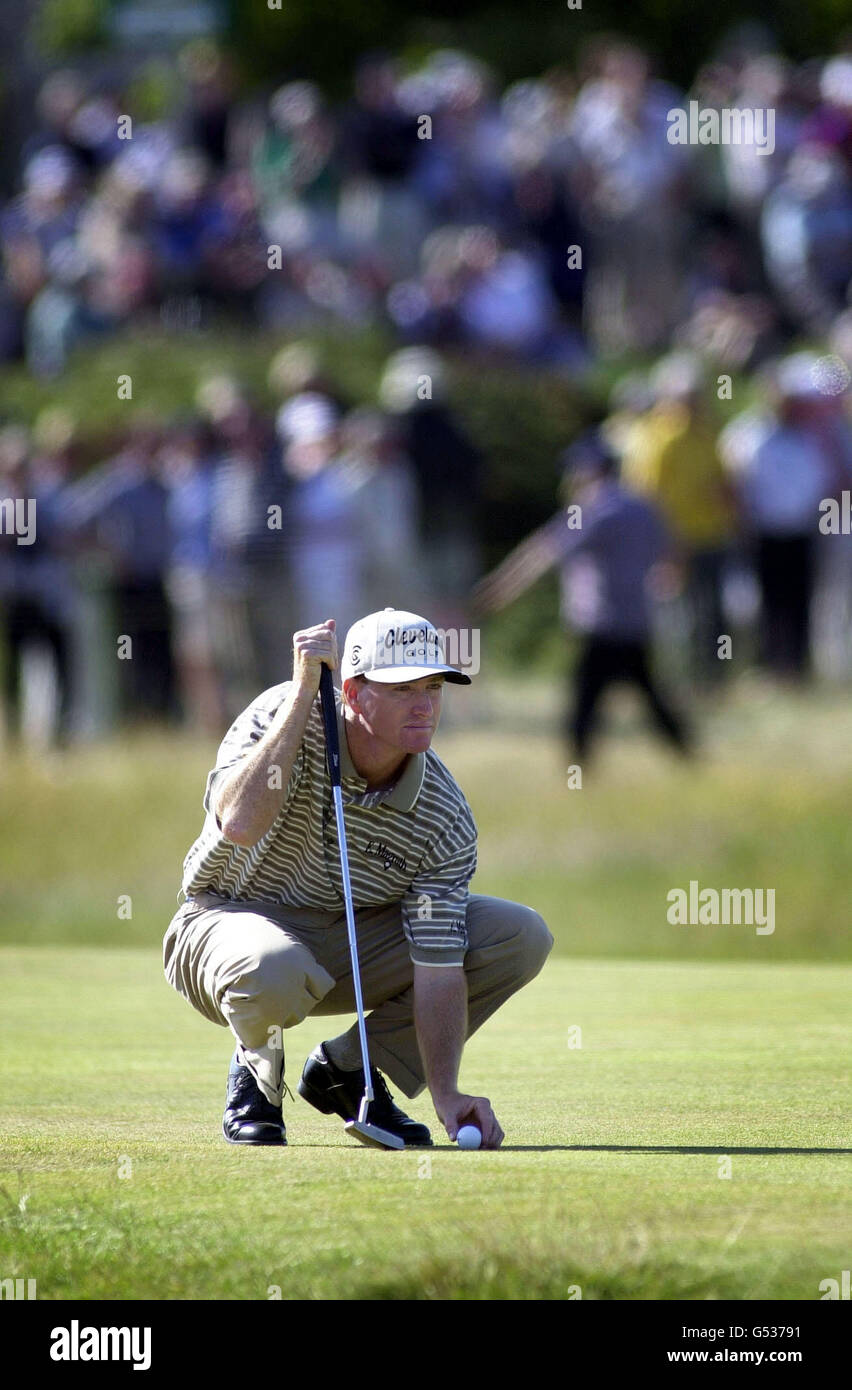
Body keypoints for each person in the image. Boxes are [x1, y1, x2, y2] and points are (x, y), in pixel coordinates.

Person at [163, 608, 552, 1149]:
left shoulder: (443, 813)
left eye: (434, 687)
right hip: (224, 921)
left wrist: (446, 1094)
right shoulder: (279, 715)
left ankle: (348, 1070)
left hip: (347, 944)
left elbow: (438, 968)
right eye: (401, 689)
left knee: (519, 936)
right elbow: (240, 825)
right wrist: (302, 698)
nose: (424, 705)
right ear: (352, 690)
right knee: (272, 966)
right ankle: (259, 1072)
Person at [473, 432, 692, 762]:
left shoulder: (594, 509)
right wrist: (670, 581)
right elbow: (675, 548)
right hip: (636, 616)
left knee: (587, 698)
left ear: (589, 470)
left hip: (602, 620)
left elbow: (544, 551)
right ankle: (684, 750)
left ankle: (579, 765)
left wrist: (501, 589)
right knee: (646, 691)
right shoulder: (642, 506)